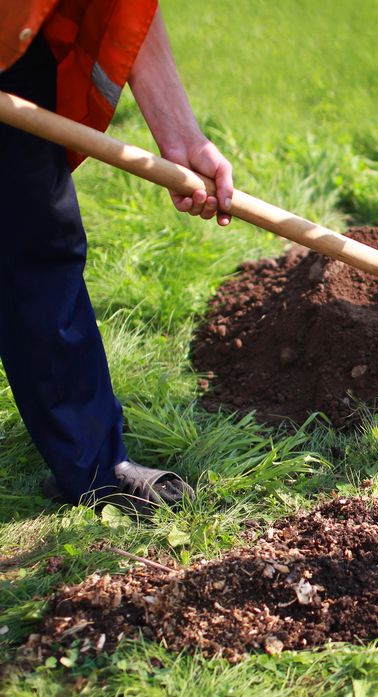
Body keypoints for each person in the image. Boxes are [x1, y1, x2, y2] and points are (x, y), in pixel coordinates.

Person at [1, 1, 231, 513]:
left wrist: (182, 136)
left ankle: (94, 467)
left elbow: (125, 6)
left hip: (12, 43)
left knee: (37, 238)